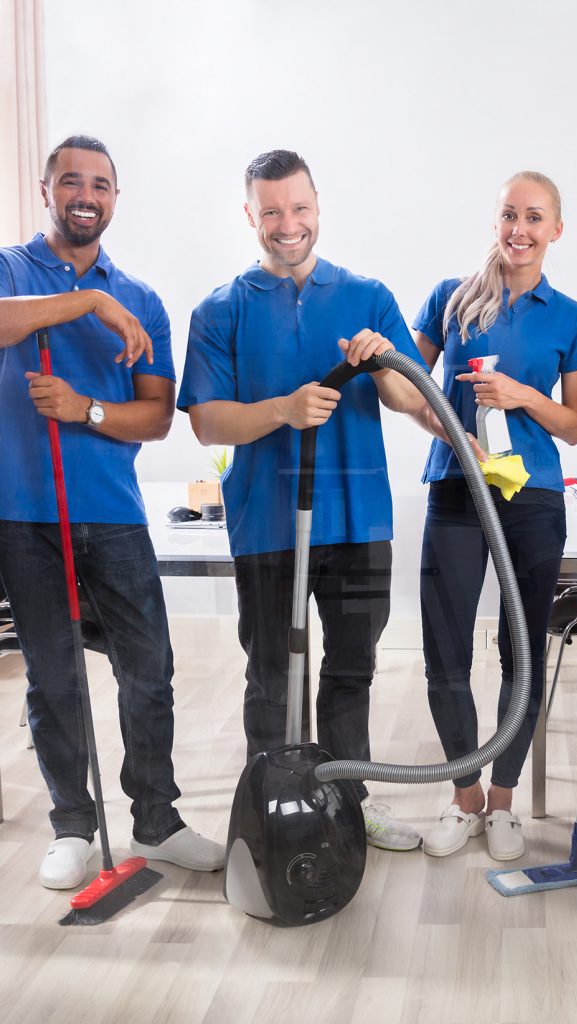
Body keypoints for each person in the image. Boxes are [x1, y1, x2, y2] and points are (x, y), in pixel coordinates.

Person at [177, 149, 426, 853]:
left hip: (357, 523)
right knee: (271, 676)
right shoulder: (220, 310)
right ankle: (273, 813)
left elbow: (412, 399)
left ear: (318, 207)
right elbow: (206, 421)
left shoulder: (367, 296)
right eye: (273, 211)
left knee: (351, 668)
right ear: (251, 216)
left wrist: (384, 363)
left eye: (300, 208)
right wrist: (283, 410)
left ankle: (349, 805)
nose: (289, 225)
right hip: (266, 524)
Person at [0, 135, 224, 889]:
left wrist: (86, 409)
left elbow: (157, 417)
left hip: (113, 512)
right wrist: (88, 300)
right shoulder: (10, 269)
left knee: (149, 669)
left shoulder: (146, 301)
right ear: (46, 191)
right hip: (25, 513)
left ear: (115, 199)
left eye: (99, 183)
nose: (84, 194)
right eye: (71, 182)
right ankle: (71, 826)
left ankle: (156, 821)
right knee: (53, 676)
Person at [412, 171, 577, 861]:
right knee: (444, 649)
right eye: (509, 215)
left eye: (535, 217)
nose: (520, 228)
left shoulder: (571, 318)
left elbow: (575, 424)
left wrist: (518, 395)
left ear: (555, 230)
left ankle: (504, 802)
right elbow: (406, 383)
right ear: (497, 221)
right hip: (459, 488)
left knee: (520, 652)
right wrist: (447, 427)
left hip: (533, 496)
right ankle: (464, 797)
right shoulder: (451, 299)